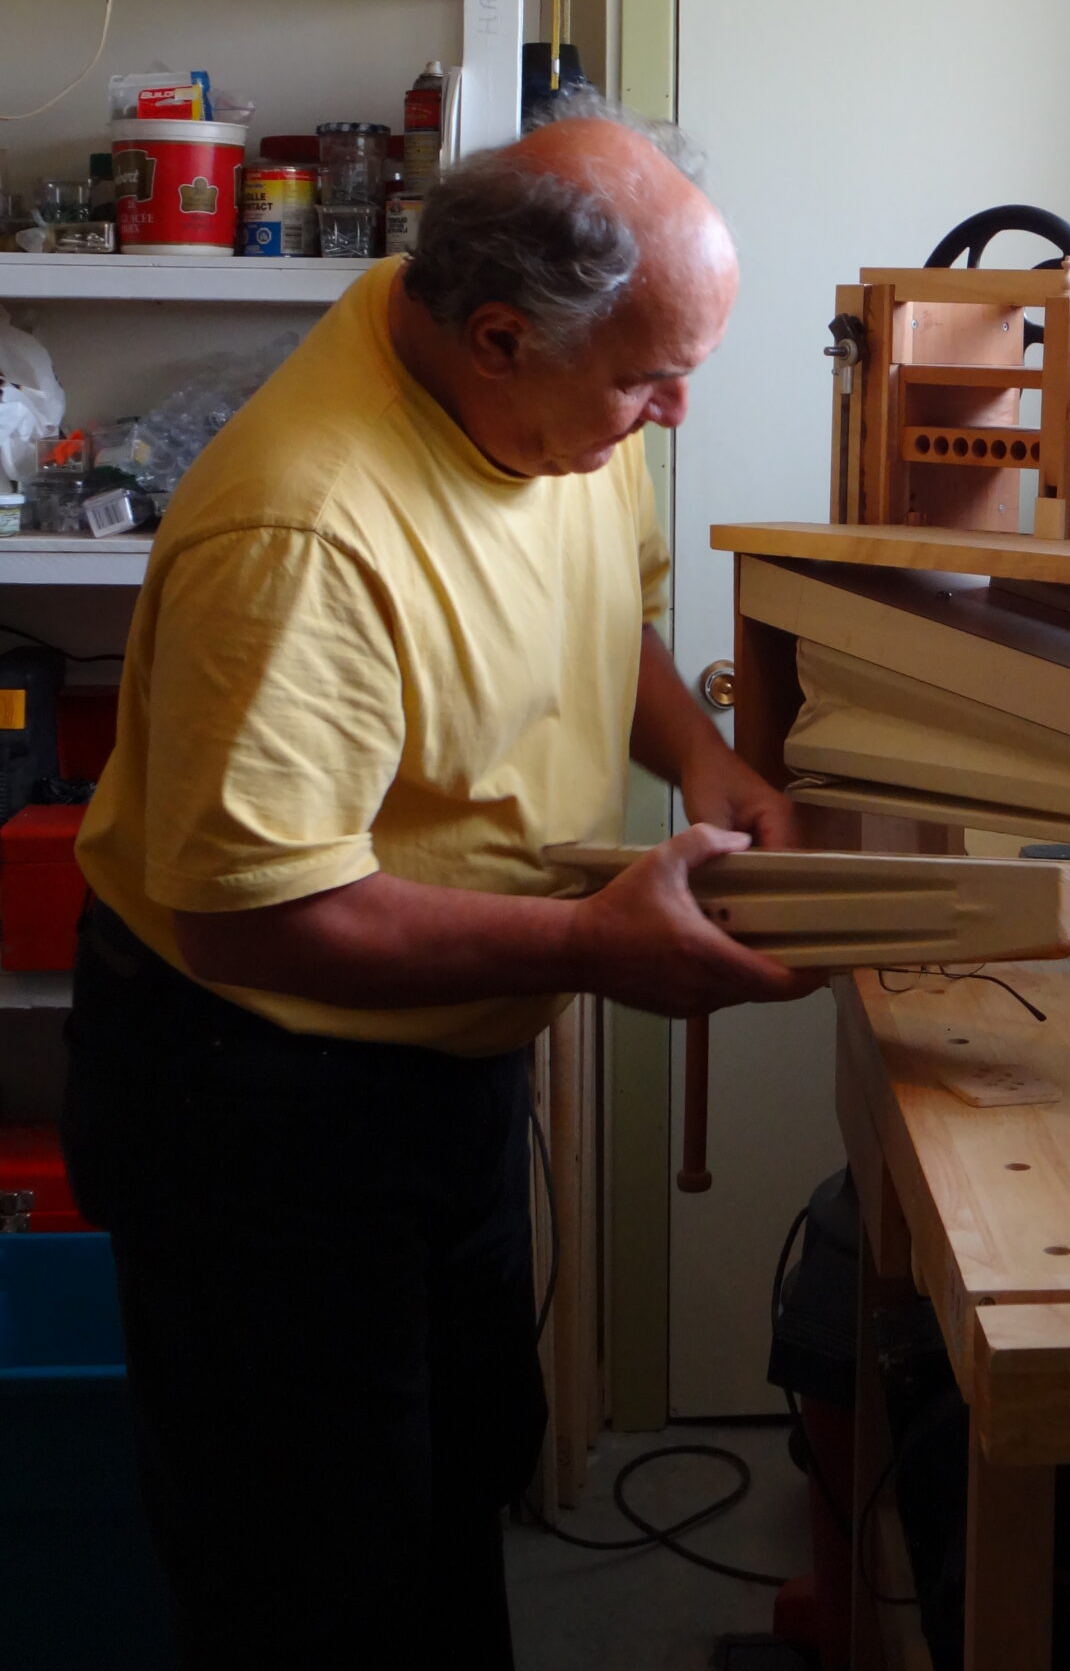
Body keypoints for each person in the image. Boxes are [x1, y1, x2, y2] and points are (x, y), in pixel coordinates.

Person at [62, 105, 811, 1671]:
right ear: (500, 337)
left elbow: (607, 615)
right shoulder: (303, 528)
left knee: (458, 1475)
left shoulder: (546, 404)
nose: (674, 412)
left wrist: (706, 761)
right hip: (257, 1101)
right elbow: (253, 914)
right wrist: (591, 945)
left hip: (440, 1060)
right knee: (313, 1576)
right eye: (649, 380)